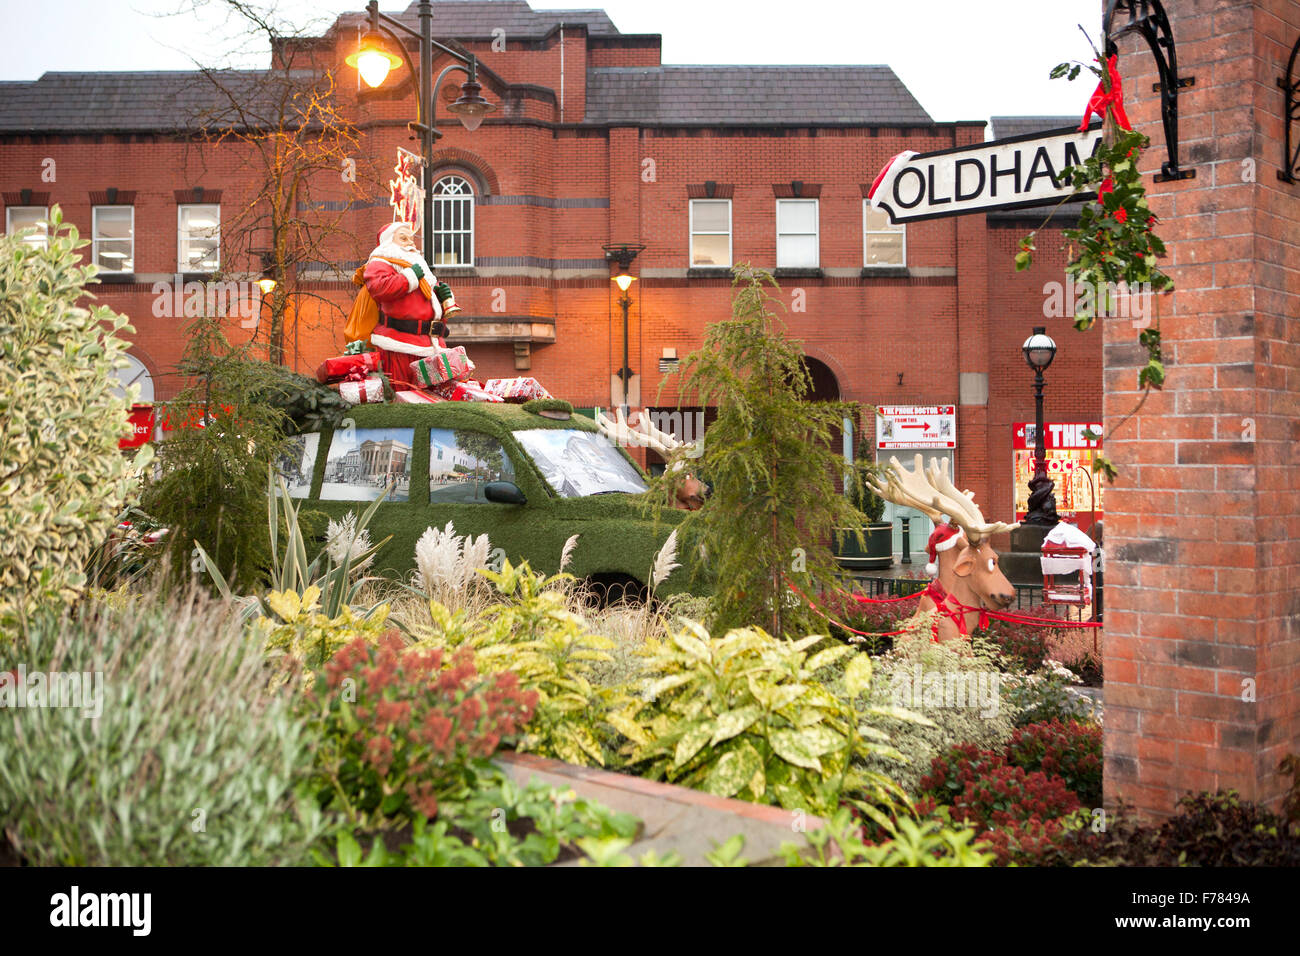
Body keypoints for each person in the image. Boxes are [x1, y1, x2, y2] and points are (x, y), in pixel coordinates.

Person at [362, 222, 450, 389]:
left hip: (430, 345)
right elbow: (379, 288)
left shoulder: (421, 269)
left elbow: (427, 305)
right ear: (388, 243)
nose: (410, 243)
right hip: (399, 345)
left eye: (411, 239)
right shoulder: (380, 264)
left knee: (434, 397)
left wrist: (442, 299)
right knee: (403, 394)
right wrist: (409, 277)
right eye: (403, 238)